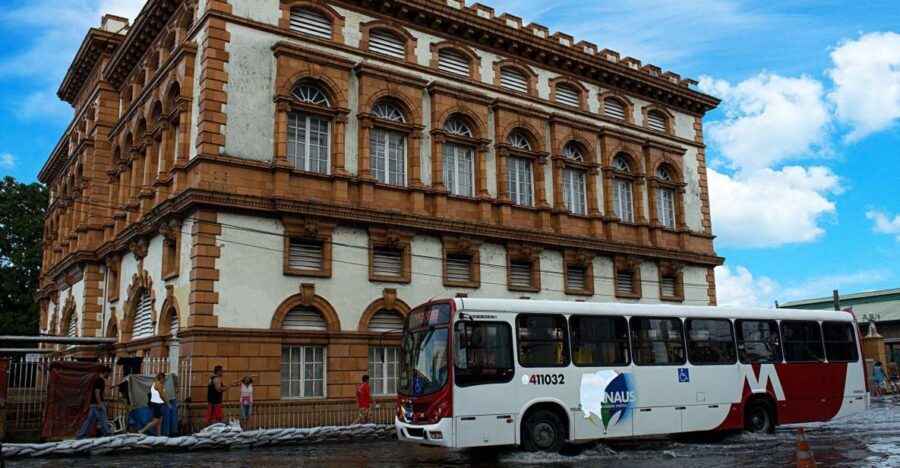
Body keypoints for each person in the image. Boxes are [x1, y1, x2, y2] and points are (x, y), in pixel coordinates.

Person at [76, 366, 114, 439]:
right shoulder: (100, 381)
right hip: (97, 404)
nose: (110, 376)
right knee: (103, 419)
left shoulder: (97, 380)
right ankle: (108, 435)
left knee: (89, 421)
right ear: (106, 372)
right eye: (109, 374)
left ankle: (79, 436)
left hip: (93, 404)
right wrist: (100, 403)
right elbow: (97, 392)